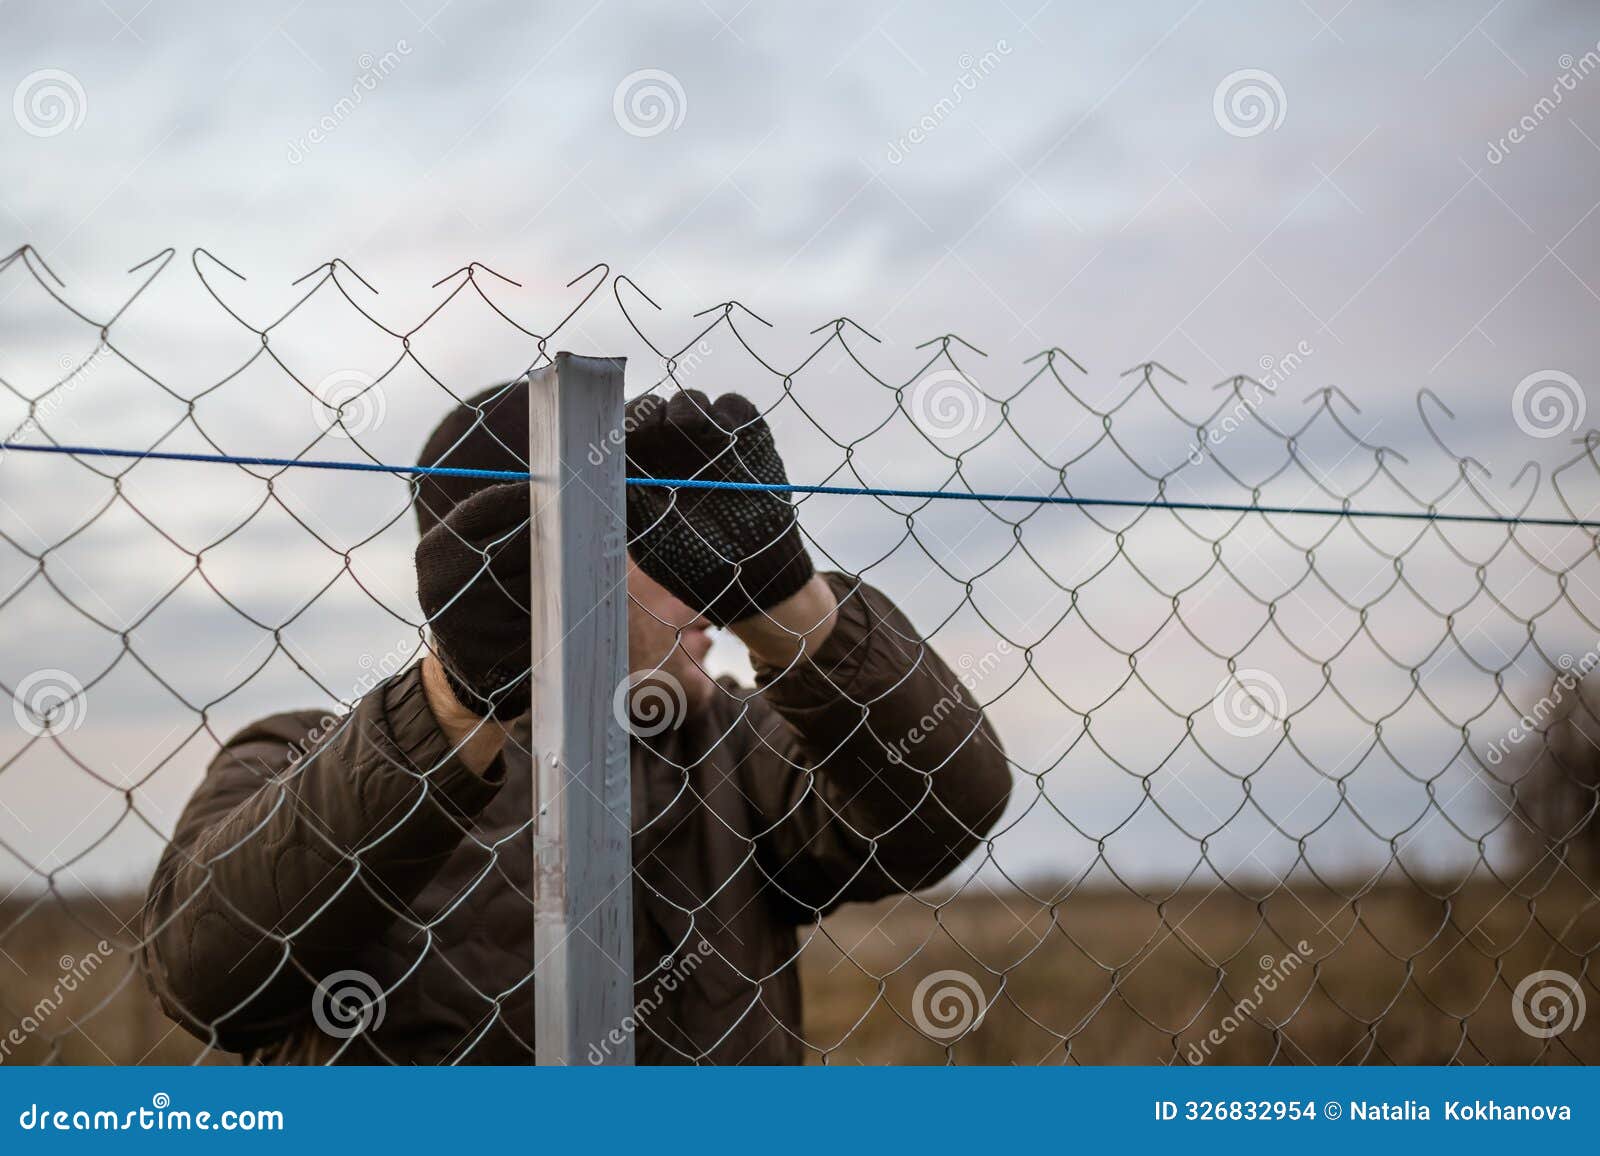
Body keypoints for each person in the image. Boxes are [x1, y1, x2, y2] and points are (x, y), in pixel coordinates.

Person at [139, 380, 1011, 1064]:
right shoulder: (299, 764)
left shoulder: (730, 755)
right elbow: (205, 981)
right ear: (545, 566)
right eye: (668, 546)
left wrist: (787, 598)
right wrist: (452, 704)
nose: (709, 588)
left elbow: (947, 808)